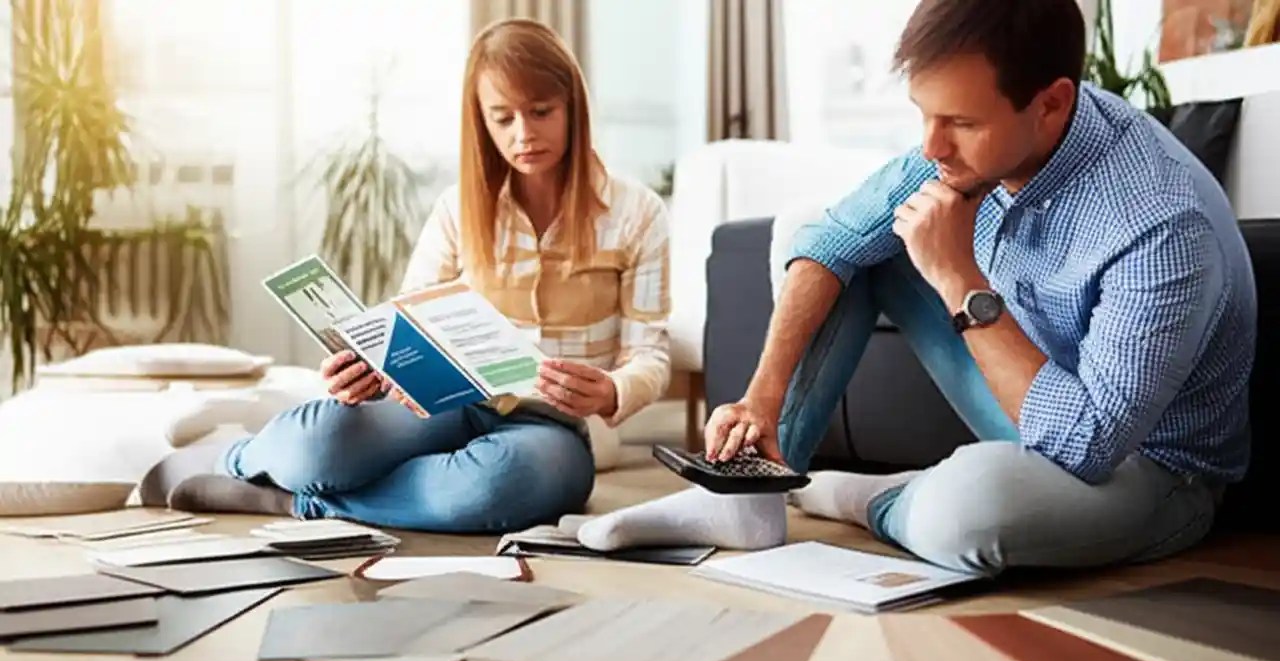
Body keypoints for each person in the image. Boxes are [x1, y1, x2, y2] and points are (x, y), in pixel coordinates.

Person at [565, 0, 1256, 576]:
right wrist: (762, 397)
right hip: (1030, 409)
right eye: (926, 114)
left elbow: (1086, 444)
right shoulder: (977, 141)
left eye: (960, 123)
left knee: (967, 516)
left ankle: (872, 497)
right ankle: (750, 498)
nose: (932, 146)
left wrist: (958, 277)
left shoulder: (1162, 224)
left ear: (1050, 106)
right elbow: (830, 241)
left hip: (1148, 472)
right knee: (838, 237)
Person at [142, 19, 672, 533]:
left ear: (572, 109)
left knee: (500, 487)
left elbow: (650, 354)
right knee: (319, 444)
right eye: (503, 118)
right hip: (444, 406)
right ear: (482, 123)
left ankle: (298, 501)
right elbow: (406, 322)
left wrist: (611, 391)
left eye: (541, 111)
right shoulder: (458, 209)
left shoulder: (636, 213)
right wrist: (364, 368)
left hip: (551, 429)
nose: (524, 133)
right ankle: (239, 458)